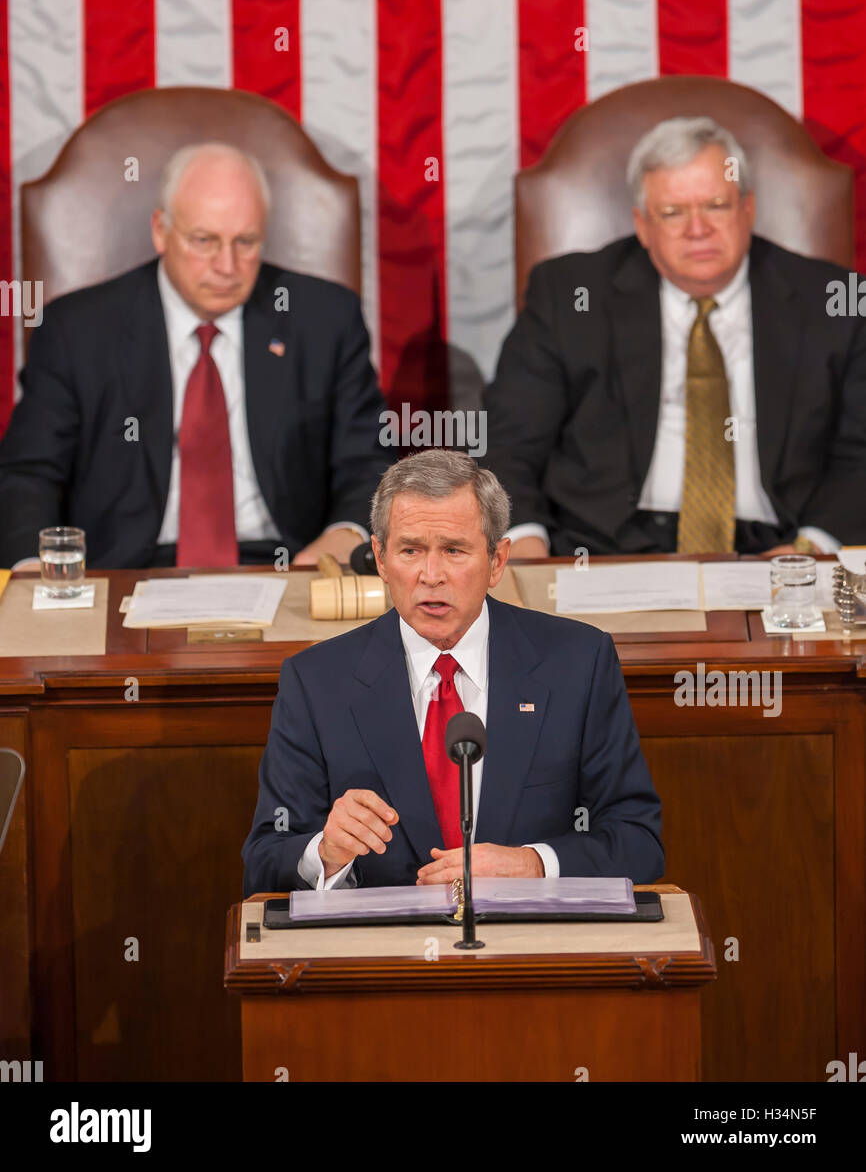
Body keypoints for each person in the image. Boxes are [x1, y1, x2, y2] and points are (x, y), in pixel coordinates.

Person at [242, 449, 663, 892]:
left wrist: (532, 866)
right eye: (410, 550)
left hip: (527, 947)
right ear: (380, 559)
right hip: (384, 955)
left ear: (498, 561)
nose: (431, 574)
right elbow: (266, 860)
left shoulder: (578, 662)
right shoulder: (315, 682)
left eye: (454, 550)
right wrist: (325, 853)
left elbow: (638, 841)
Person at [485, 116, 866, 558]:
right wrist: (527, 543)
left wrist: (812, 545)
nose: (697, 228)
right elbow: (509, 439)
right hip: (600, 549)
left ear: (748, 209)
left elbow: (860, 450)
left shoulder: (832, 301)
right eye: (673, 212)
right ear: (642, 225)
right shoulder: (569, 295)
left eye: (716, 206)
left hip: (778, 549)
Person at [0, 142, 387, 569]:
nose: (227, 265)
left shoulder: (324, 320)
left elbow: (366, 459)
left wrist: (343, 537)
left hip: (287, 567)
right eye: (204, 240)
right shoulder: (77, 330)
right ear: (160, 231)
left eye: (246, 241)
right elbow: (28, 474)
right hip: (121, 573)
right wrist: (34, 570)